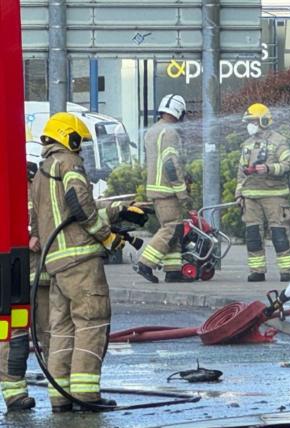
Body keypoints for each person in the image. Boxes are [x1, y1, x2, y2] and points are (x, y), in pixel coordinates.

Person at [29, 112, 131, 412]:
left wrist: (118, 209)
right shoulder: (69, 163)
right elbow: (81, 204)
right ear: (67, 137)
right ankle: (86, 395)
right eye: (79, 142)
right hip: (81, 260)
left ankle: (61, 398)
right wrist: (107, 237)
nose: (81, 148)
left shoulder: (41, 174)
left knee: (61, 329)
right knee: (91, 322)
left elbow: (41, 222)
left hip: (55, 265)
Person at [0, 162, 51, 411]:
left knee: (47, 333)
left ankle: (59, 389)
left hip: (37, 279)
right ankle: (14, 394)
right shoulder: (10, 198)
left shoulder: (32, 198)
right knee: (15, 337)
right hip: (15, 281)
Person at [135, 94, 193, 283]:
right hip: (167, 191)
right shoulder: (170, 133)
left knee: (175, 230)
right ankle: (145, 263)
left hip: (156, 189)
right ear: (178, 111)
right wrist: (182, 192)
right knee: (170, 228)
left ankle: (173, 271)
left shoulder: (153, 130)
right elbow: (170, 164)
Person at [235, 103, 290, 282]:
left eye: (252, 121)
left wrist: (268, 168)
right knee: (253, 235)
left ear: (263, 120)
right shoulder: (247, 145)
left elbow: (289, 165)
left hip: (274, 195)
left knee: (279, 234)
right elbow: (240, 172)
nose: (249, 125)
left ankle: (286, 271)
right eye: (248, 121)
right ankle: (257, 271)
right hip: (250, 197)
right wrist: (239, 194)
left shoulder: (278, 141)